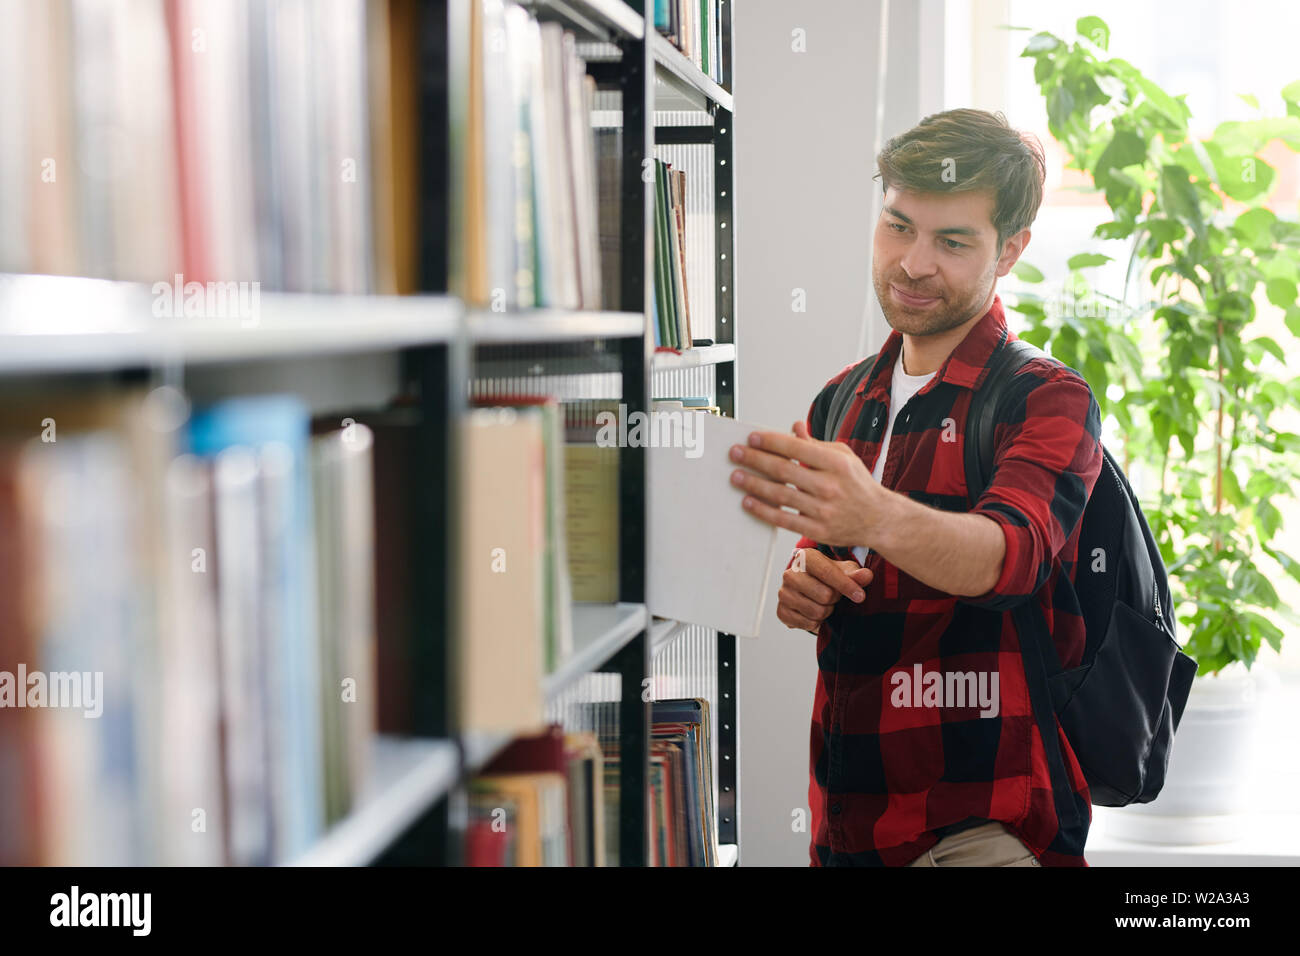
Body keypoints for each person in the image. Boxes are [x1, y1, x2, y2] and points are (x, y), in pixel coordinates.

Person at [729, 108, 1104, 866]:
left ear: (1011, 251)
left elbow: (1011, 558)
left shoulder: (1046, 398)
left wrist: (877, 514)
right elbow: (817, 561)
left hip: (979, 834)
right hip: (848, 827)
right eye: (898, 227)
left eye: (952, 241)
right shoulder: (842, 399)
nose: (913, 263)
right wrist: (805, 576)